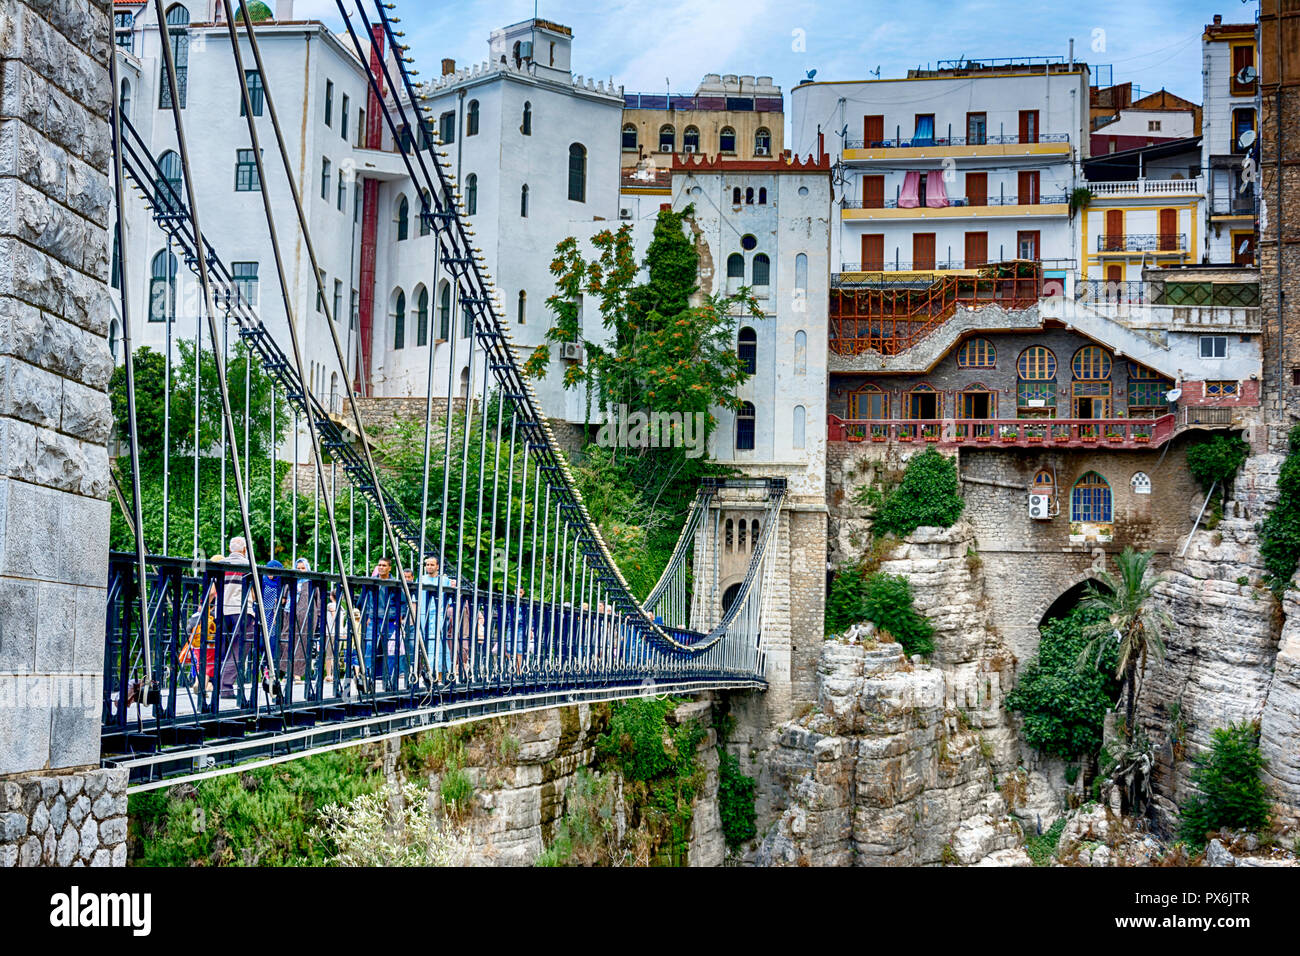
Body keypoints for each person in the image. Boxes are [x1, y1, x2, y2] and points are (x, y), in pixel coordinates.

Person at [219, 538, 253, 702]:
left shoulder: (221, 565)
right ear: (245, 549)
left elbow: (213, 590)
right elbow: (254, 591)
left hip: (223, 610)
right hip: (241, 610)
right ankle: (225, 686)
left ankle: (213, 682)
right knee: (240, 647)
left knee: (222, 647)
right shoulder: (248, 565)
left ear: (230, 549)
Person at [419, 556, 456, 682]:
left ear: (438, 566)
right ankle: (444, 671)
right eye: (427, 564)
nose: (429, 567)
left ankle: (433, 671)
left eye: (432, 564)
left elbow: (449, 601)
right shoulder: (422, 579)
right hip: (424, 615)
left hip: (439, 615)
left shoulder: (444, 580)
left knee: (436, 642)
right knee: (430, 642)